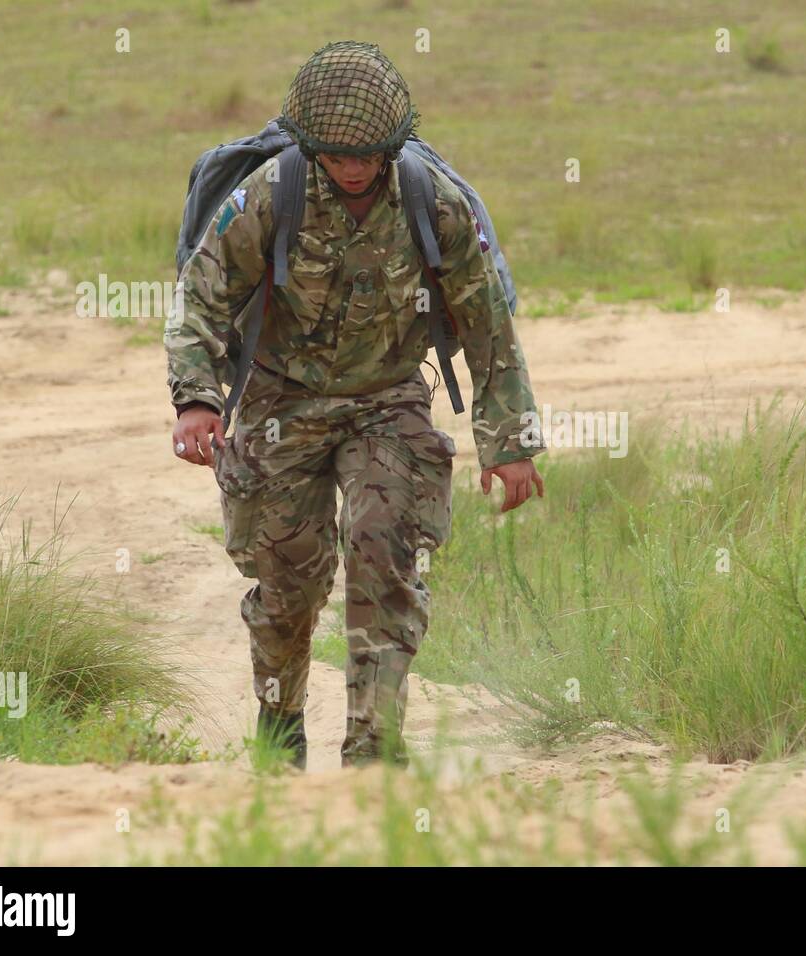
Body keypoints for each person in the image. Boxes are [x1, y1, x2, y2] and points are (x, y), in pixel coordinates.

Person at [165, 41, 545, 769]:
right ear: (312, 146)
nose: (353, 167)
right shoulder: (269, 194)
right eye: (337, 154)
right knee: (287, 585)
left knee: (386, 557)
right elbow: (200, 301)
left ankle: (375, 747)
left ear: (392, 143)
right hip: (282, 400)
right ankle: (280, 728)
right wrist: (197, 400)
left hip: (388, 397)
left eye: (368, 153)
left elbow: (488, 325)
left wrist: (511, 443)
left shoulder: (434, 201)